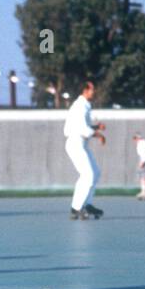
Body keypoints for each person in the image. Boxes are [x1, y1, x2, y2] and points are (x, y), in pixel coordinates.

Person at [64, 81, 105, 219]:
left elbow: (82, 127)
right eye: (92, 90)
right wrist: (97, 134)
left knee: (95, 173)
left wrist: (96, 127)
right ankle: (76, 208)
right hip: (75, 143)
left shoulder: (84, 106)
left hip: (81, 143)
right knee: (88, 174)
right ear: (85, 90)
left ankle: (86, 204)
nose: (94, 92)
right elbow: (82, 129)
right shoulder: (81, 106)